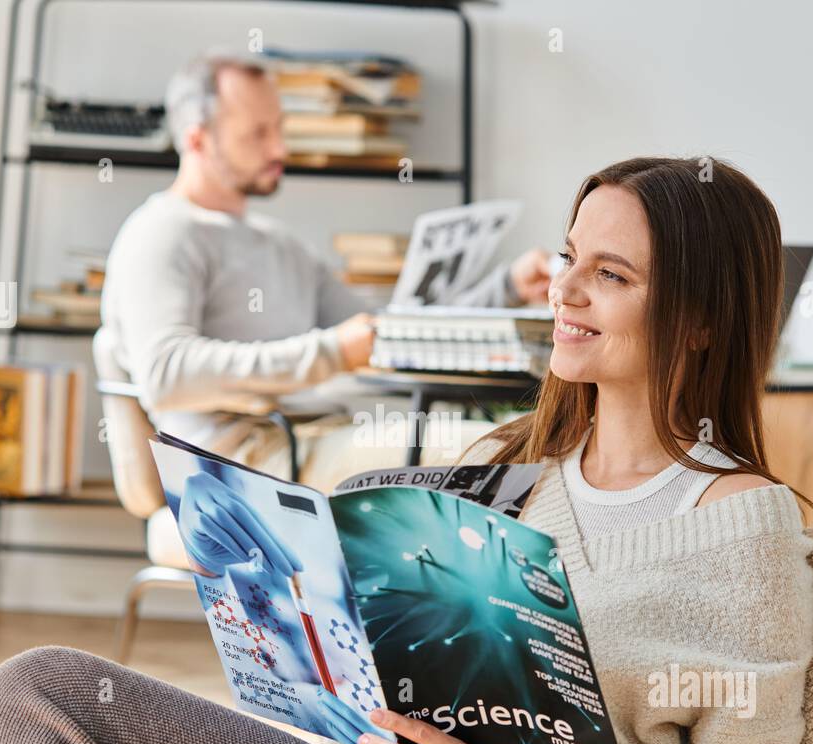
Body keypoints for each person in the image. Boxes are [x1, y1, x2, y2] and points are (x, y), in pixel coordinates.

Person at [0, 156, 813, 744]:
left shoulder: (742, 529)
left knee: (49, 696)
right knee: (37, 706)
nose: (565, 292)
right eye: (569, 259)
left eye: (611, 275)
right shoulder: (507, 471)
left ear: (701, 323)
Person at [100, 52, 551, 481]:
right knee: (507, 447)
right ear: (197, 139)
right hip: (244, 462)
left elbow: (386, 336)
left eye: (279, 127)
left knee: (536, 436)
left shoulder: (282, 244)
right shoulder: (160, 233)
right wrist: (333, 353)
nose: (279, 146)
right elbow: (166, 375)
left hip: (316, 436)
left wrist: (505, 288)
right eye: (256, 134)